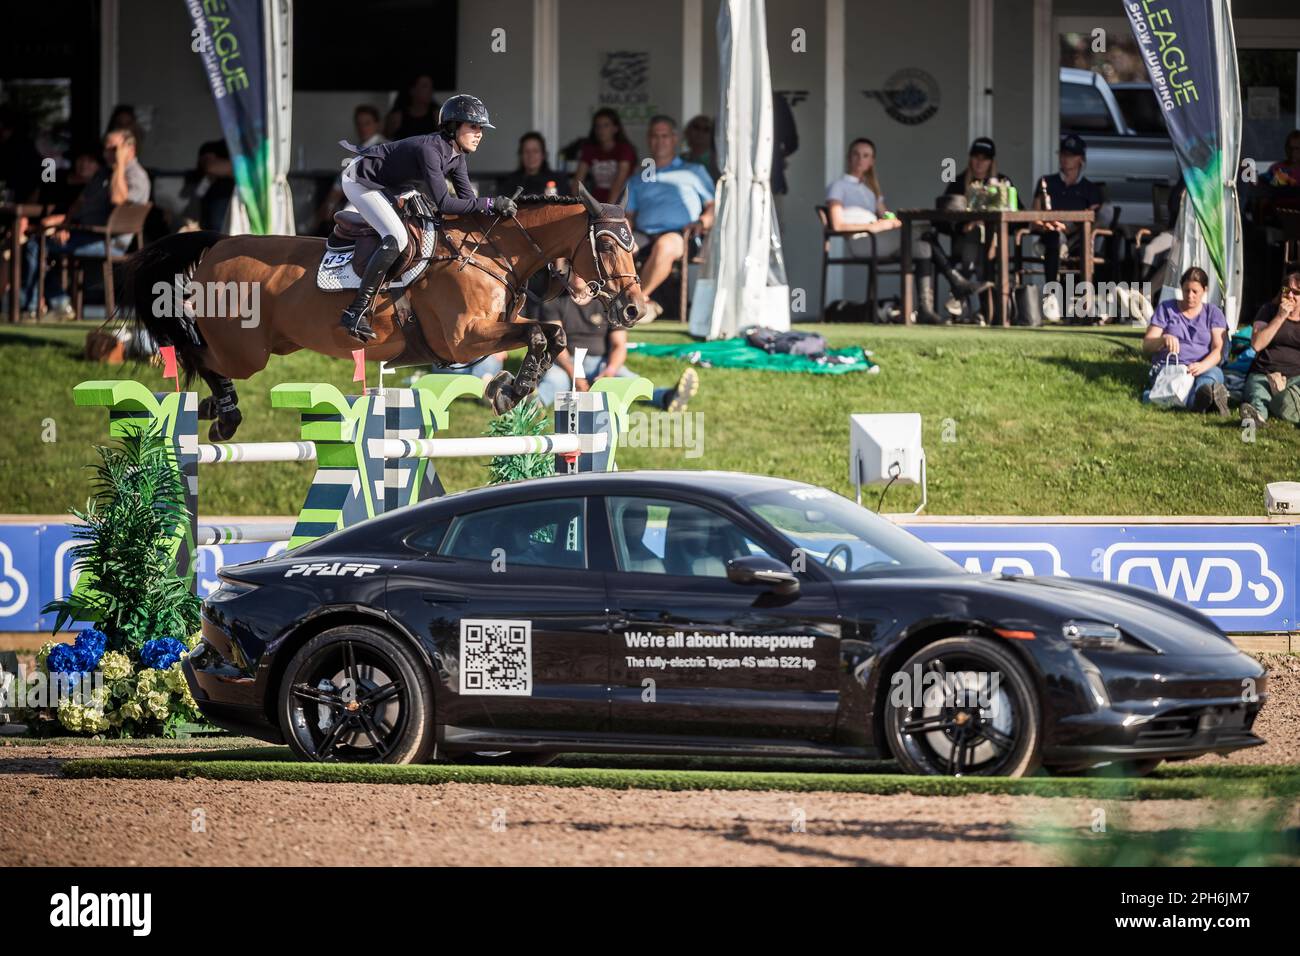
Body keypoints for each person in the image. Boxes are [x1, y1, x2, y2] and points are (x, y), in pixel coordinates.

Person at [335, 93, 517, 342]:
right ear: (453, 127)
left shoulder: (457, 156)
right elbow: (444, 203)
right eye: (473, 126)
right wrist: (489, 202)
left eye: (481, 128)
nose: (480, 133)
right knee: (397, 237)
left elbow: (466, 203)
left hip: (394, 184)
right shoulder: (430, 150)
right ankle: (356, 311)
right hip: (362, 181)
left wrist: (493, 210)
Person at [826, 138, 987, 324]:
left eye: (865, 155)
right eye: (856, 154)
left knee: (923, 245)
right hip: (862, 241)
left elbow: (886, 215)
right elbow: (837, 225)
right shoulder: (839, 186)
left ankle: (925, 310)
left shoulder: (870, 191)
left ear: (872, 161)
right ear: (848, 157)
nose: (860, 159)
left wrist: (891, 221)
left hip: (879, 238)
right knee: (924, 231)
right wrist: (874, 226)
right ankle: (956, 282)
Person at [22, 128, 150, 317]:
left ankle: (33, 308)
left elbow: (118, 200)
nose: (107, 154)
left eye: (114, 149)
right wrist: (64, 224)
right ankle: (59, 303)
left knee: (36, 246)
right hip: (85, 233)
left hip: (109, 241)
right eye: (106, 149)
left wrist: (120, 164)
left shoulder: (135, 176)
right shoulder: (103, 173)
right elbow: (80, 202)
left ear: (129, 149)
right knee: (38, 242)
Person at [535, 290, 699, 410]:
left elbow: (619, 345)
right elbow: (555, 343)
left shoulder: (610, 302)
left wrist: (610, 370)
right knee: (554, 381)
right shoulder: (554, 299)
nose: (579, 276)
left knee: (628, 379)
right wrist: (574, 373)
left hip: (599, 363)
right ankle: (527, 409)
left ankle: (666, 398)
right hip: (564, 363)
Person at [624, 115, 715, 322]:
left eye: (665, 136)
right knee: (615, 249)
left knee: (664, 246)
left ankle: (638, 302)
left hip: (682, 235)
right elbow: (628, 216)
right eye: (655, 136)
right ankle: (603, 306)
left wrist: (702, 222)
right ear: (649, 140)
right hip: (644, 234)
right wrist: (624, 234)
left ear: (674, 139)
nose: (660, 141)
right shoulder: (638, 177)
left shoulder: (693, 171)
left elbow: (714, 206)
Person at [1140, 267, 1229, 414]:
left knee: (1214, 373)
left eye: (1195, 292)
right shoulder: (1166, 308)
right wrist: (1163, 339)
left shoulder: (1213, 312)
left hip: (1202, 368)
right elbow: (1147, 345)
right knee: (1179, 385)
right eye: (1186, 290)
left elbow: (1218, 349)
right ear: (1181, 288)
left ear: (1205, 290)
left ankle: (1200, 396)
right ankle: (1202, 401)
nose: (1190, 296)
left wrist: (1202, 365)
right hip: (1171, 367)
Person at [1033, 133, 1104, 290]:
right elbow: (1035, 215)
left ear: (1081, 159)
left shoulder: (1090, 189)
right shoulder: (1046, 182)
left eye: (1071, 155)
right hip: (1050, 232)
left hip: (1077, 237)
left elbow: (1094, 218)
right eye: (1063, 154)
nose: (1066, 159)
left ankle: (1079, 300)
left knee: (1082, 246)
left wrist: (1070, 228)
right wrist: (1046, 225)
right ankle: (1051, 294)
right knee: (1054, 238)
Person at [309, 105, 387, 234]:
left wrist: (327, 208)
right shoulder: (358, 150)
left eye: (367, 123)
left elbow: (339, 188)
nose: (363, 128)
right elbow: (340, 184)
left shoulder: (382, 148)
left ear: (378, 124)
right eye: (359, 124)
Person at [1240, 267, 1300, 426]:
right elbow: (1257, 344)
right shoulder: (1269, 310)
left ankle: (1282, 398)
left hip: (1295, 378)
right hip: (1264, 373)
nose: (1290, 295)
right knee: (1258, 396)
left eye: (1296, 292)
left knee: (1292, 395)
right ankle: (1256, 418)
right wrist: (1280, 317)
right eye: (1287, 290)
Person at [571, 108, 635, 204]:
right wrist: (574, 204)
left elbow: (619, 181)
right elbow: (578, 181)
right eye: (598, 126)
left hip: (623, 203)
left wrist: (607, 211)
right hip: (597, 202)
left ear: (615, 128)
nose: (601, 130)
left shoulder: (624, 149)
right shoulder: (590, 149)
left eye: (606, 125)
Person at [500, 131, 559, 196]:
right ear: (521, 155)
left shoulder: (558, 181)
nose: (531, 155)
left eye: (535, 151)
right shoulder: (510, 182)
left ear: (543, 155)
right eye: (526, 151)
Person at [385, 74, 441, 141]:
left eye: (431, 86)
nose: (430, 90)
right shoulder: (397, 117)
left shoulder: (437, 115)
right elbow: (384, 141)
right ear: (413, 90)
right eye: (425, 86)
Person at [681, 114, 719, 182]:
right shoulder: (681, 159)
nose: (700, 132)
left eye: (706, 129)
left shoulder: (718, 160)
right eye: (696, 127)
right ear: (688, 131)